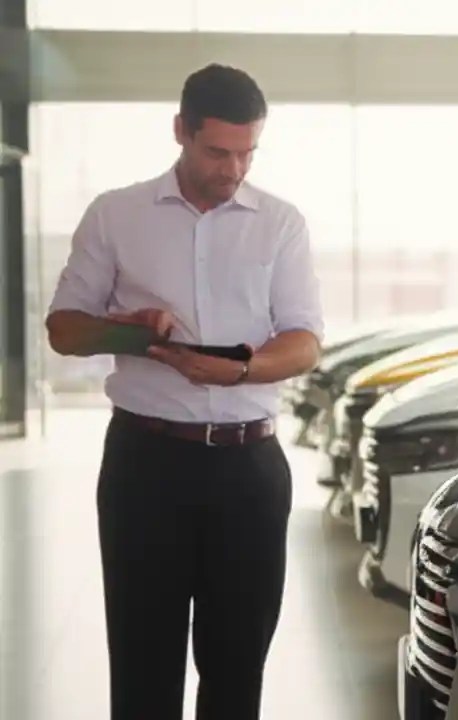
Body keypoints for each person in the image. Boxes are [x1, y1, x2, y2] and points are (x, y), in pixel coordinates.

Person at [44, 63, 323, 719]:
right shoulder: (116, 215)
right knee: (143, 666)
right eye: (217, 151)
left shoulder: (281, 224)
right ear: (181, 132)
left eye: (247, 152)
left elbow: (306, 340)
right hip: (146, 464)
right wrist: (131, 333)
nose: (233, 169)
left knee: (236, 668)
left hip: (248, 468)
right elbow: (63, 329)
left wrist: (242, 371)